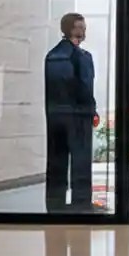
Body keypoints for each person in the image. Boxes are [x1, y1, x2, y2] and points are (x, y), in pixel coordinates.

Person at [43, 13, 98, 213]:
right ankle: (81, 203)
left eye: (84, 27)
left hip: (55, 115)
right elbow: (85, 87)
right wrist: (92, 110)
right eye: (80, 27)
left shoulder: (51, 56)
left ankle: (54, 202)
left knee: (56, 159)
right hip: (78, 115)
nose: (83, 31)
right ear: (70, 30)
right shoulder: (82, 57)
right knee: (81, 160)